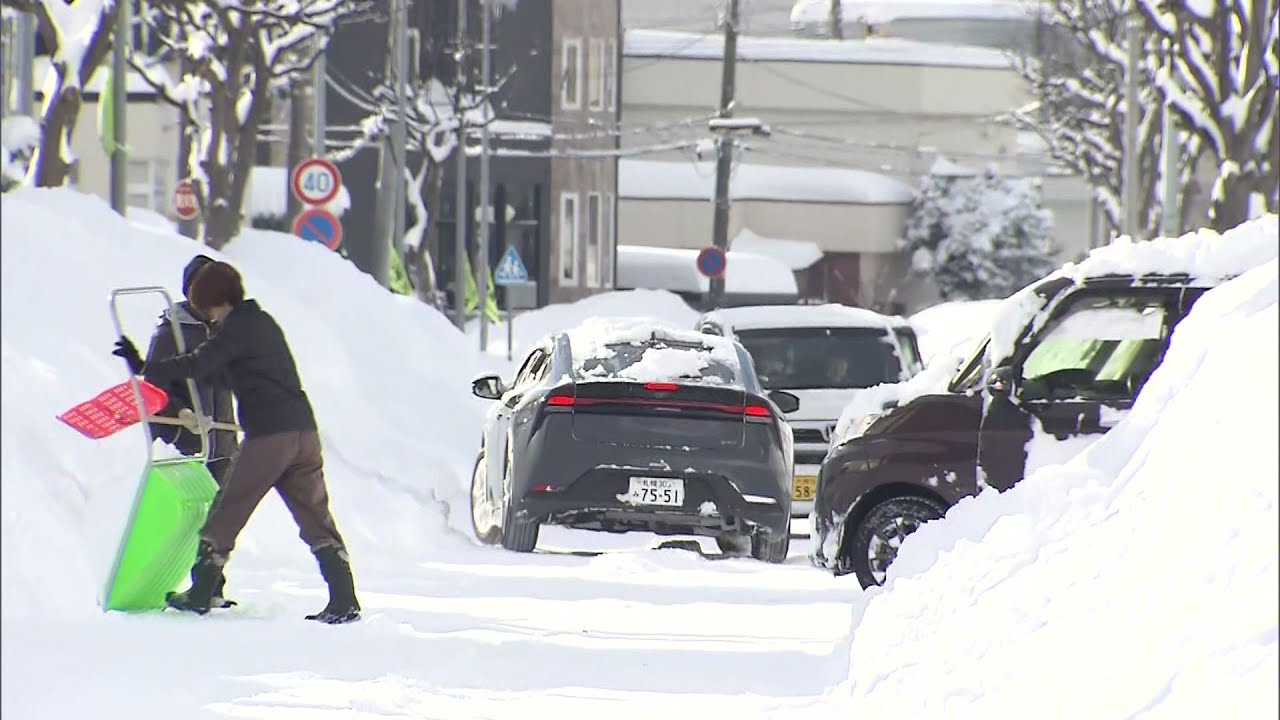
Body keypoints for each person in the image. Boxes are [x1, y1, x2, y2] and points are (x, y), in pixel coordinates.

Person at [111, 261, 361, 624]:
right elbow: (227, 375)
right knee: (314, 515)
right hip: (304, 433)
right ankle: (344, 598)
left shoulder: (236, 328)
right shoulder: (262, 323)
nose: (207, 315)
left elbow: (199, 364)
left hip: (271, 436)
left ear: (214, 301)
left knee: (228, 508)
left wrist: (144, 367)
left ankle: (201, 592)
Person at [144, 254, 241, 608]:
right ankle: (159, 579)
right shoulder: (171, 332)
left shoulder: (227, 328)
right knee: (191, 519)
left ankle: (211, 588)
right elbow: (152, 387)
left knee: (222, 519)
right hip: (187, 444)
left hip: (223, 441)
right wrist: (181, 413)